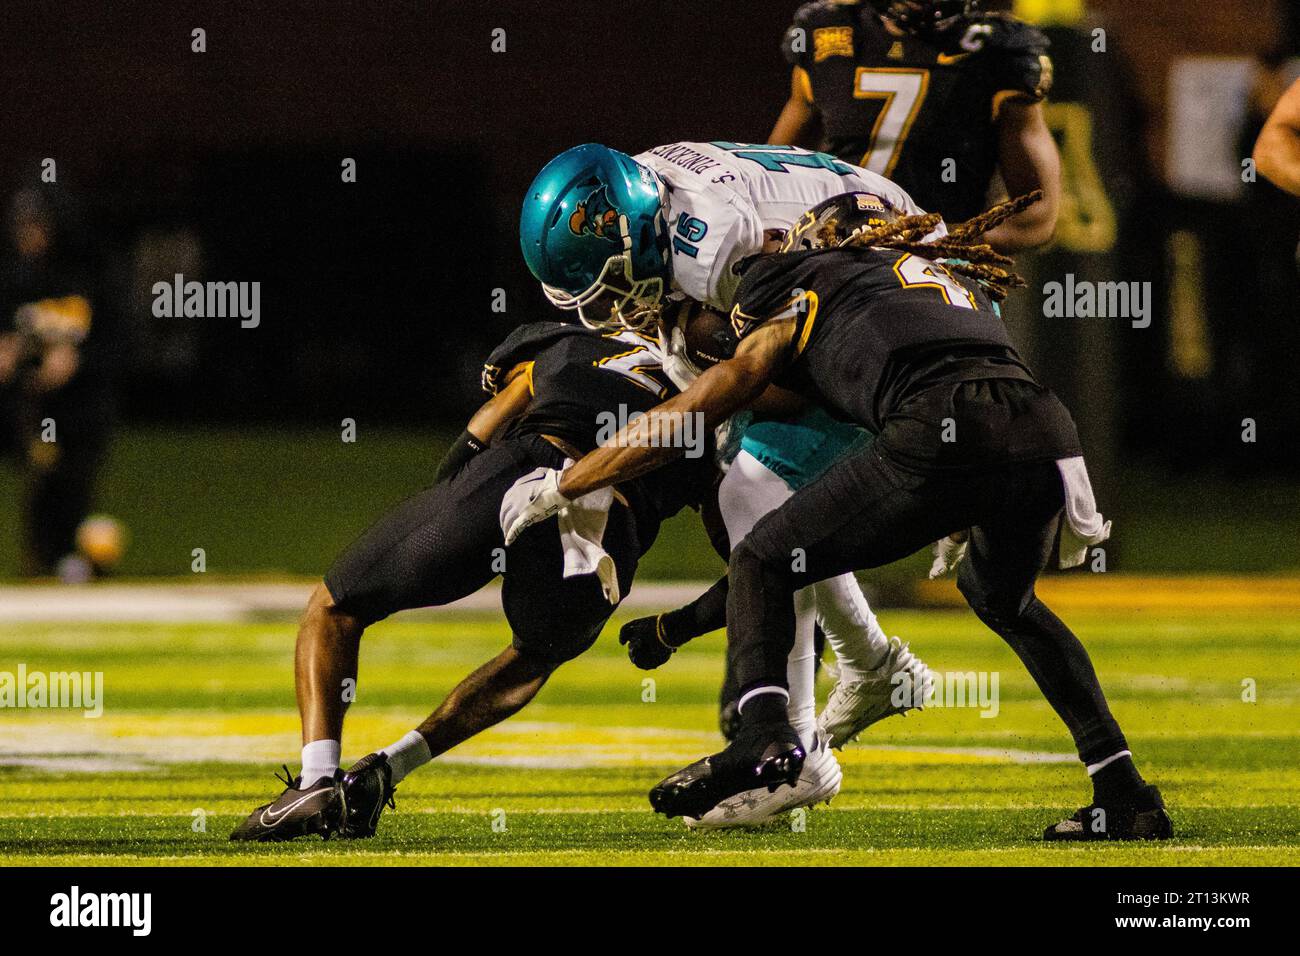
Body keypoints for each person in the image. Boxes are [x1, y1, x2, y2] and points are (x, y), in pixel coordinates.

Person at [502, 192, 1173, 841]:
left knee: (766, 554)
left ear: (830, 240)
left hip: (941, 422)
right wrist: (674, 628)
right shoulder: (944, 274)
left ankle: (764, 733)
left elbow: (730, 390)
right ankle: (1125, 795)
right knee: (1005, 601)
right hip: (1044, 429)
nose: (789, 240)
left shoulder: (805, 275)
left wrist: (572, 483)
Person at [232, 320, 729, 841]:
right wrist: (679, 627)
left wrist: (449, 503)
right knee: (533, 658)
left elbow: (484, 426)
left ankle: (315, 782)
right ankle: (390, 767)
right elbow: (740, 549)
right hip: (615, 530)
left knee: (334, 607)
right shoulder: (725, 399)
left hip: (522, 472)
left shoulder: (571, 343)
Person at [520, 141, 935, 747]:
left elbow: (774, 385)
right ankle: (872, 666)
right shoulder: (646, 198)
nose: (608, 312)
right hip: (858, 272)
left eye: (610, 288)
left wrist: (582, 475)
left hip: (898, 292)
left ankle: (788, 749)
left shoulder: (716, 246)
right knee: (757, 493)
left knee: (753, 490)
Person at [770, 0, 1060, 251]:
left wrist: (934, 240)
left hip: (940, 270)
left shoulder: (999, 52)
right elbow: (774, 174)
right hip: (838, 261)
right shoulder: (828, 31)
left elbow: (1038, 215)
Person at [0, 187, 115, 578]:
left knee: (77, 483)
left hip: (83, 406)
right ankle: (45, 562)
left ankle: (81, 563)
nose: (28, 235)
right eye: (22, 226)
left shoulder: (86, 274)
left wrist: (77, 360)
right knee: (40, 481)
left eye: (36, 226)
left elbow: (116, 338)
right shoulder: (13, 278)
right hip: (35, 406)